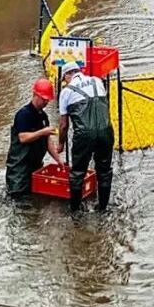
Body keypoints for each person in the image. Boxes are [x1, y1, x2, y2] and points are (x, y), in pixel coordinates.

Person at [58, 60, 114, 211]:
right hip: (106, 131)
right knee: (104, 170)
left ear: (68, 75)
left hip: (84, 135)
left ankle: (75, 210)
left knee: (77, 173)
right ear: (79, 71)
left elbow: (64, 125)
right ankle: (103, 208)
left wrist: (61, 144)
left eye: (65, 78)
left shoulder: (66, 91)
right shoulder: (97, 81)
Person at [5, 77, 61, 197]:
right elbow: (23, 138)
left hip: (35, 166)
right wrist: (42, 132)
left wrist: (59, 160)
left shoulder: (43, 116)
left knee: (35, 198)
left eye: (48, 100)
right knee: (18, 201)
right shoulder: (23, 114)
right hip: (19, 169)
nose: (46, 102)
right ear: (35, 95)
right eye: (44, 99)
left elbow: (48, 141)